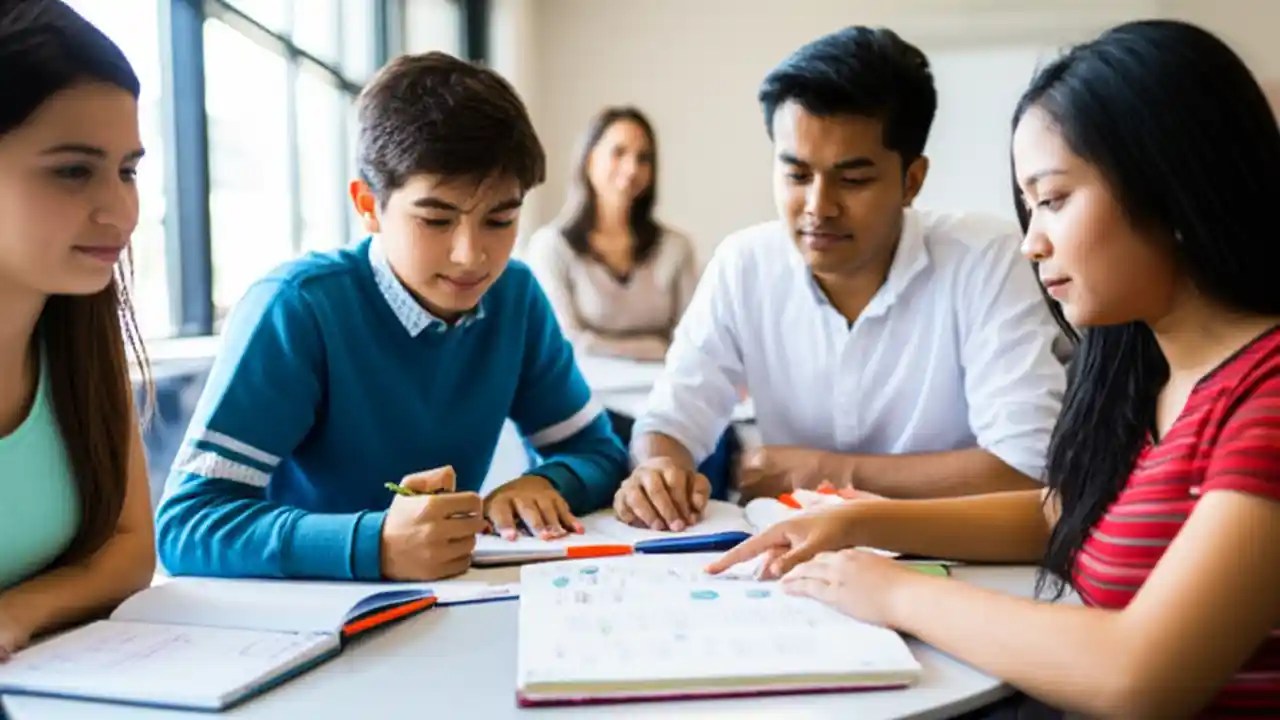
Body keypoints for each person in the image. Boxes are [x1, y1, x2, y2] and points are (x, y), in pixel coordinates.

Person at [710, 20, 1280, 719]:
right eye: (1029, 206)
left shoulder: (1266, 398)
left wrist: (896, 592)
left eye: (1054, 200)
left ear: (1171, 185)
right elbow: (1069, 513)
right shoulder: (1152, 378)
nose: (1032, 243)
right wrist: (857, 521)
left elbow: (1140, 677)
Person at [155, 52, 628, 582]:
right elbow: (185, 526)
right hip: (308, 607)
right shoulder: (297, 307)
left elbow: (598, 451)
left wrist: (544, 484)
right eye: (435, 220)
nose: (470, 255)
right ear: (368, 205)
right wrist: (374, 544)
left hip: (449, 598)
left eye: (500, 220)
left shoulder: (514, 296)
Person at [617, 26, 1066, 531]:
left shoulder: (985, 258)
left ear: (911, 181)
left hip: (954, 554)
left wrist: (826, 472)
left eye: (852, 180)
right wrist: (659, 470)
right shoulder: (745, 265)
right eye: (796, 175)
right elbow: (670, 420)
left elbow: (1026, 467)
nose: (818, 207)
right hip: (792, 560)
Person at [0, 0, 155, 659]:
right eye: (73, 170)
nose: (120, 211)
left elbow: (130, 547)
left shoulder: (81, 337)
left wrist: (16, 613)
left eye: (127, 171)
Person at [525, 106, 698, 363]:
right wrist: (656, 347)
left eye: (643, 158)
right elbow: (564, 341)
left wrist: (597, 343)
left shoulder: (677, 247)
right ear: (589, 161)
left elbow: (692, 340)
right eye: (619, 152)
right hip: (583, 384)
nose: (631, 168)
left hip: (664, 383)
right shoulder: (550, 247)